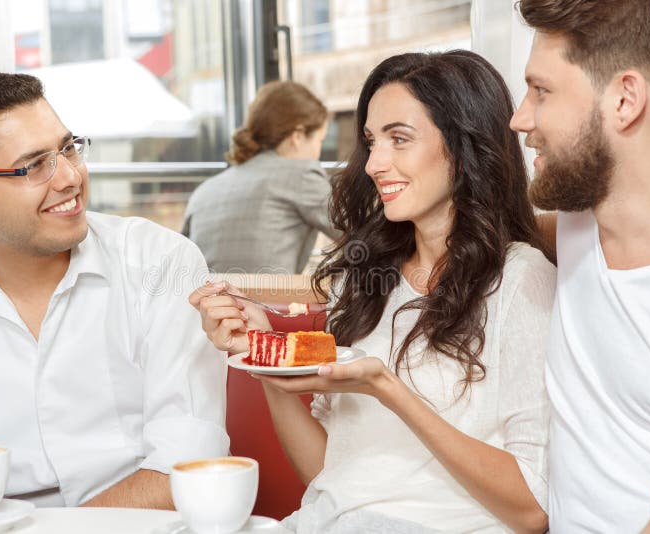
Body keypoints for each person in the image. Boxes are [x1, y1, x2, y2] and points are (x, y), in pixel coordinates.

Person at [191, 51, 556, 533]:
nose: (374, 164)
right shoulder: (363, 280)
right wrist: (270, 363)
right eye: (371, 142)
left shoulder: (519, 279)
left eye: (399, 139)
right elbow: (331, 477)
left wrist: (388, 390)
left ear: (465, 147)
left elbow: (533, 510)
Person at [0, 71, 228, 517]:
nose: (70, 177)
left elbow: (187, 463)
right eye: (34, 166)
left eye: (68, 149)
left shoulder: (160, 261)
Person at [509, 1, 650, 531]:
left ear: (625, 99)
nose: (520, 118)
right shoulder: (579, 222)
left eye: (541, 91)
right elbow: (517, 229)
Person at [181, 80, 341, 274]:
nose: (318, 153)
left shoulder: (205, 191)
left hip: (207, 304)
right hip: (270, 303)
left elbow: (182, 264)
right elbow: (362, 236)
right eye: (319, 141)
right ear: (297, 136)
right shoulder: (302, 175)